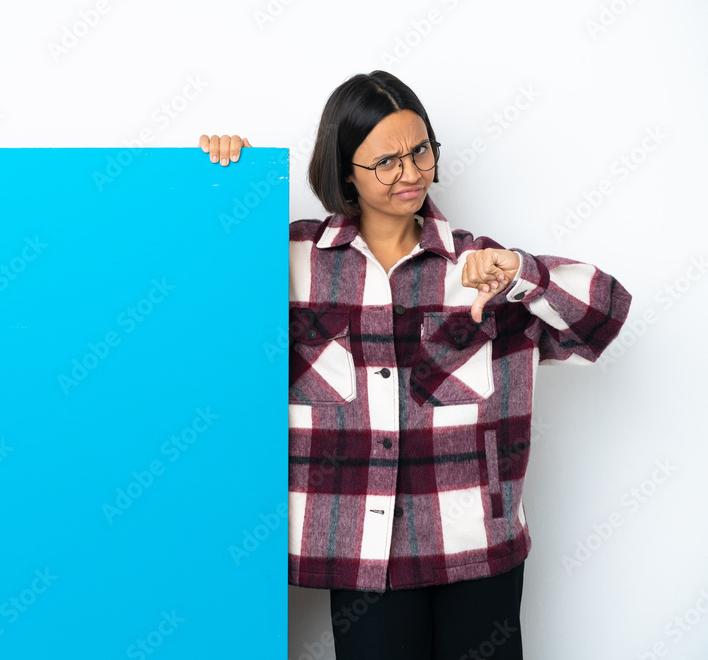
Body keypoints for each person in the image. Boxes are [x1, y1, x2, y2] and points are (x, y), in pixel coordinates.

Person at [199, 70, 632, 659]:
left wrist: (521, 275)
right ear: (343, 169)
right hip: (360, 554)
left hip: (477, 544)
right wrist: (223, 186)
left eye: (420, 150)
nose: (410, 173)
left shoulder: (479, 265)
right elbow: (196, 309)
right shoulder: (290, 263)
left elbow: (603, 315)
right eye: (385, 162)